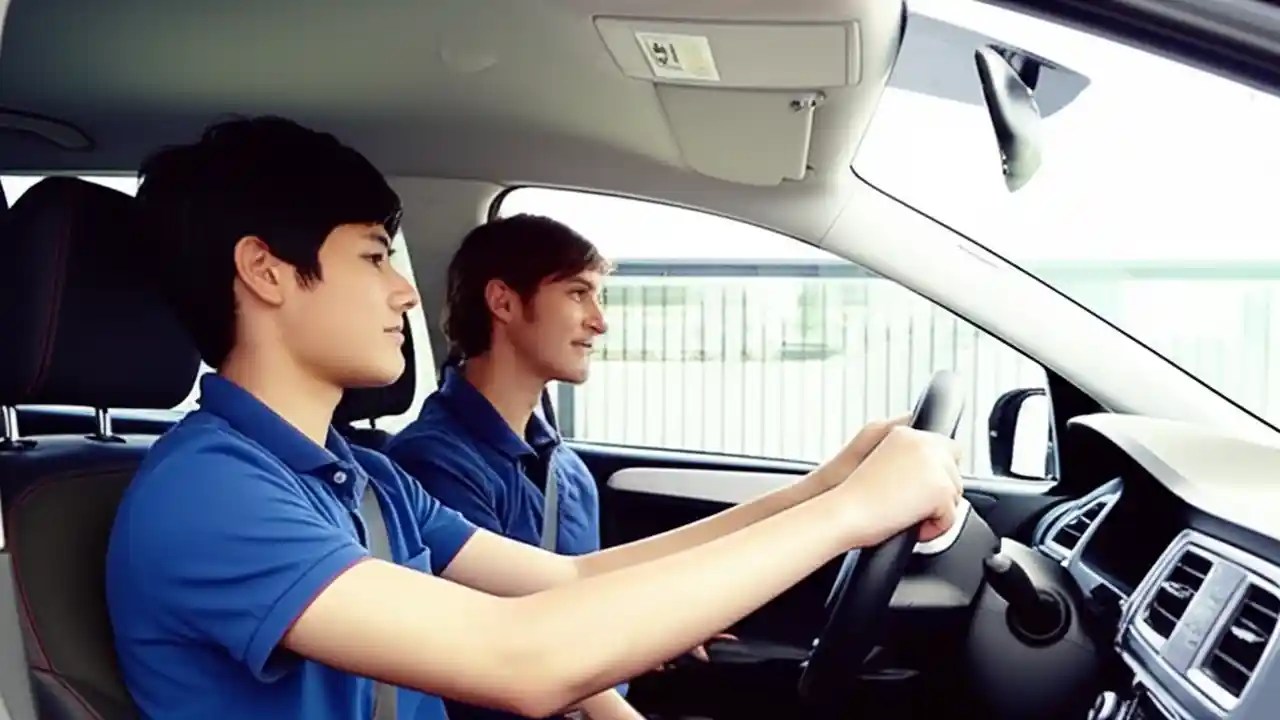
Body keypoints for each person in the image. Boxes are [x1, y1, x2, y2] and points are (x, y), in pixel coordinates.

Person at [105, 115, 963, 720]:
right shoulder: (208, 493)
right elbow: (519, 657)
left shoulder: (359, 476)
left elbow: (571, 583)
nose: (405, 291)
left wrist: (824, 493)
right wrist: (854, 515)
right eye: (372, 257)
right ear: (266, 271)